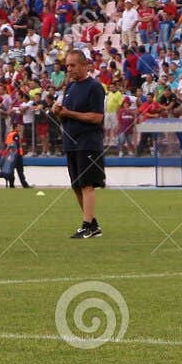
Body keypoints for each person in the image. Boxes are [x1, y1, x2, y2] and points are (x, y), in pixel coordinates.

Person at [51, 47, 106, 236]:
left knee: (87, 184)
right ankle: (92, 224)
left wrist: (68, 113)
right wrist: (59, 113)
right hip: (71, 142)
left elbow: (97, 117)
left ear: (85, 65)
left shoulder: (94, 87)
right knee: (76, 186)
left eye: (73, 65)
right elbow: (65, 117)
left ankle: (87, 225)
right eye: (67, 66)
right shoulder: (70, 87)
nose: (69, 69)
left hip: (88, 142)